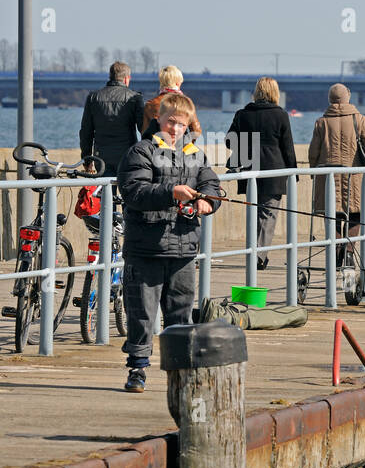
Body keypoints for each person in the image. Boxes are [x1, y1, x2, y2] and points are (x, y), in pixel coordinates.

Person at [117, 93, 220, 394]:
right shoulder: (140, 151)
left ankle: (181, 372)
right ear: (158, 120)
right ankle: (138, 368)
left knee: (180, 313)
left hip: (184, 248)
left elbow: (211, 185)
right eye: (170, 122)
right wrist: (171, 192)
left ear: (189, 124)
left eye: (181, 123)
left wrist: (208, 203)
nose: (175, 129)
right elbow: (134, 192)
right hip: (145, 249)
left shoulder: (195, 154)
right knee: (142, 313)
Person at [225, 77, 297, 269]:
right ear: (275, 93)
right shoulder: (280, 115)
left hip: (250, 169)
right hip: (274, 169)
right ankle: (259, 254)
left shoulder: (242, 114)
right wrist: (293, 173)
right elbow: (288, 147)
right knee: (268, 215)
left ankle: (255, 251)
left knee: (255, 213)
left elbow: (229, 141)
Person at [308, 83, 365, 262]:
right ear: (348, 97)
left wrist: (313, 171)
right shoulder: (359, 119)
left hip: (328, 177)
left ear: (330, 99)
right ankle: (348, 249)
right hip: (353, 176)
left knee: (333, 214)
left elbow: (313, 152)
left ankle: (336, 248)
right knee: (356, 214)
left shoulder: (322, 122)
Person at [79, 60, 143, 177]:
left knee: (105, 193)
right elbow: (143, 129)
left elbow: (86, 132)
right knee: (128, 192)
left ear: (110, 77)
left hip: (101, 157)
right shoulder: (134, 98)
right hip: (127, 155)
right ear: (126, 78)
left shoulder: (93, 97)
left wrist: (87, 159)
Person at [141, 66, 201, 140]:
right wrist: (186, 145)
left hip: (156, 148)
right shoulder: (187, 103)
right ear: (177, 83)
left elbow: (144, 133)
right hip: (178, 147)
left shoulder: (150, 105)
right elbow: (196, 131)